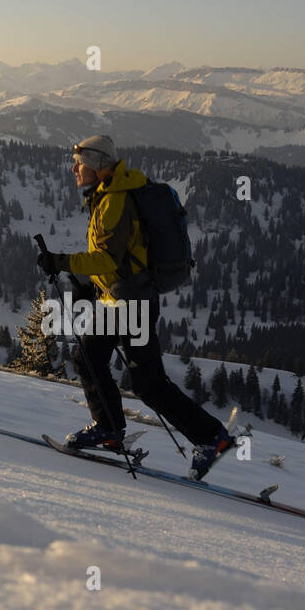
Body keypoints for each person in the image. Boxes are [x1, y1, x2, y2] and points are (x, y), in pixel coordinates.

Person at [35, 134, 234, 480]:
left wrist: (60, 261)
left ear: (97, 165)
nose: (73, 168)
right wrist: (92, 289)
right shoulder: (109, 195)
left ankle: (203, 436)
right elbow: (123, 261)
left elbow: (105, 257)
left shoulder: (115, 201)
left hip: (132, 305)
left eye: (79, 162)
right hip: (125, 300)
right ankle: (114, 428)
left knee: (143, 381)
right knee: (102, 362)